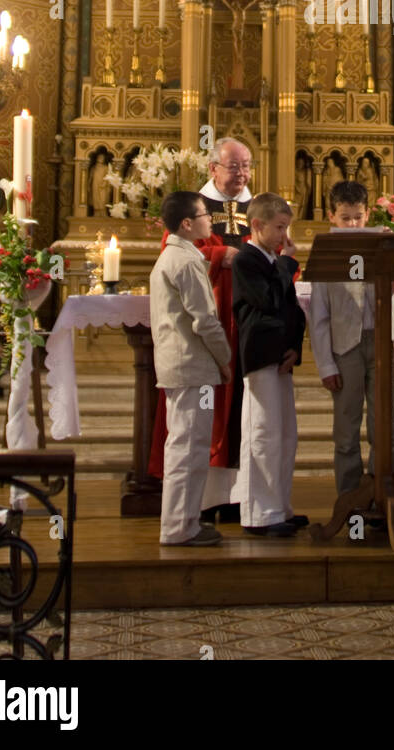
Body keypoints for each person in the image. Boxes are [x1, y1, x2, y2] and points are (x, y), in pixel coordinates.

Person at [148, 137, 253, 520]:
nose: (241, 174)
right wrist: (221, 255)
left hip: (246, 318)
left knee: (241, 408)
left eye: (246, 166)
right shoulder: (194, 208)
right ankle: (198, 509)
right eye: (233, 166)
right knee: (196, 429)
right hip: (209, 325)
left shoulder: (256, 206)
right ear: (213, 168)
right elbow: (173, 251)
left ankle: (239, 496)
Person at [150, 191, 232, 547]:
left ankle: (184, 522)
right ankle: (179, 528)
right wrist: (226, 359)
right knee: (190, 447)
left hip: (182, 367)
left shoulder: (175, 256)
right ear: (186, 223)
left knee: (185, 446)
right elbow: (206, 321)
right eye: (203, 214)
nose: (209, 219)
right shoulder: (186, 261)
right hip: (194, 369)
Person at [307, 180, 394, 497]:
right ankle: (350, 497)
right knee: (346, 430)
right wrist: (326, 365)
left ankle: (381, 490)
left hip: (381, 342)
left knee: (384, 426)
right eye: (345, 218)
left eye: (358, 217)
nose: (353, 224)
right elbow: (318, 315)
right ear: (332, 216)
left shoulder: (380, 245)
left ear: (368, 213)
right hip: (345, 348)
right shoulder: (325, 251)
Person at [232, 192, 306, 535]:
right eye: (279, 228)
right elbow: (268, 301)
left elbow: (292, 310)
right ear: (257, 224)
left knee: (284, 434)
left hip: (281, 356)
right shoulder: (247, 261)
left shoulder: (273, 261)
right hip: (261, 354)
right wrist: (287, 263)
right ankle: (259, 513)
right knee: (261, 433)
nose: (284, 236)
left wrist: (294, 347)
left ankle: (279, 505)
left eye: (286, 228)